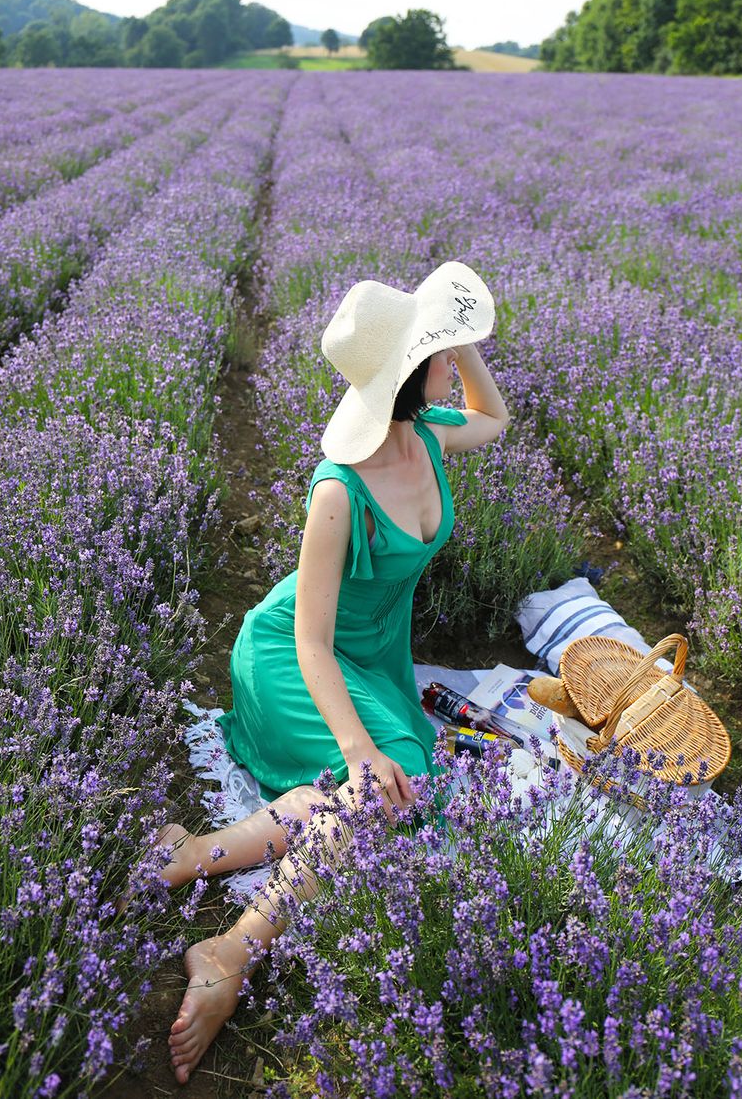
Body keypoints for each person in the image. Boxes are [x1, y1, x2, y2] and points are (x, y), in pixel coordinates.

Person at [158, 261, 510, 1083]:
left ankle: (194, 853)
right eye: (433, 352)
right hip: (293, 658)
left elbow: (495, 417)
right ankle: (230, 949)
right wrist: (358, 749)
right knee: (384, 787)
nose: (447, 362)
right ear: (404, 374)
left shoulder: (430, 433)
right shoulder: (338, 491)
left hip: (372, 661)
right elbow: (311, 640)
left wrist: (459, 337)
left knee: (395, 789)